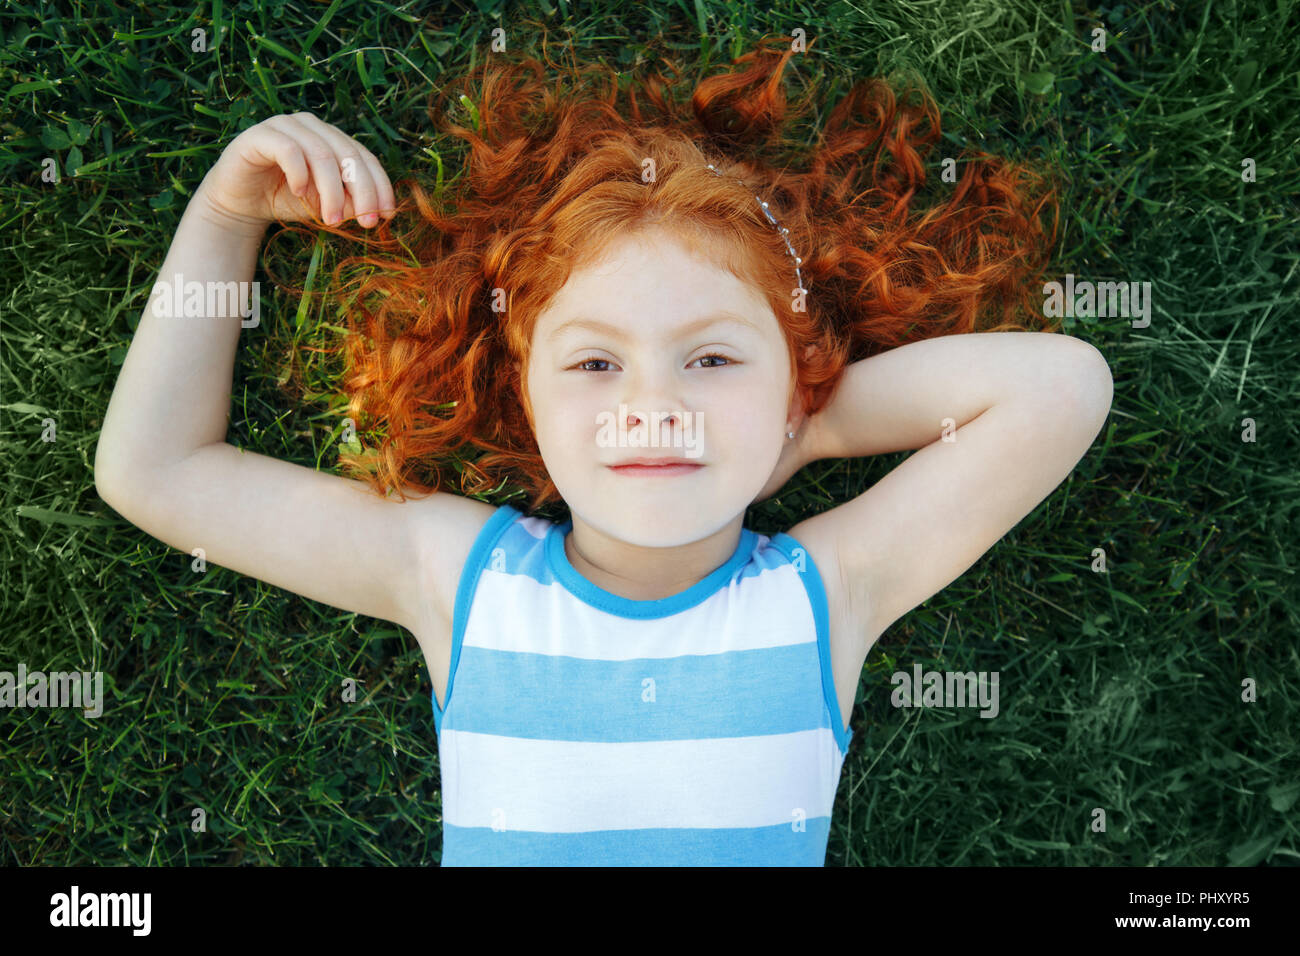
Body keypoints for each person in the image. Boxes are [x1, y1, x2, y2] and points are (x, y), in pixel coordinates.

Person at [94, 37, 1113, 866]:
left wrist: (796, 430)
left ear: (791, 378)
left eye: (712, 357)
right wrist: (225, 217)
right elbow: (158, 471)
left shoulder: (825, 593)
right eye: (591, 365)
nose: (654, 404)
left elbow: (1060, 386)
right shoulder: (460, 576)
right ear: (524, 394)